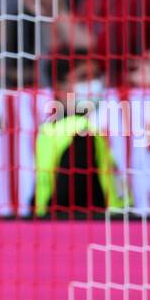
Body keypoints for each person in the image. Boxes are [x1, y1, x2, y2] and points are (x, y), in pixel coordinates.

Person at [34, 50, 126, 217]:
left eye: (97, 76)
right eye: (83, 78)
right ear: (59, 88)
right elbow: (67, 197)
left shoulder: (49, 130)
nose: (94, 84)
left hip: (51, 228)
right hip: (91, 231)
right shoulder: (81, 133)